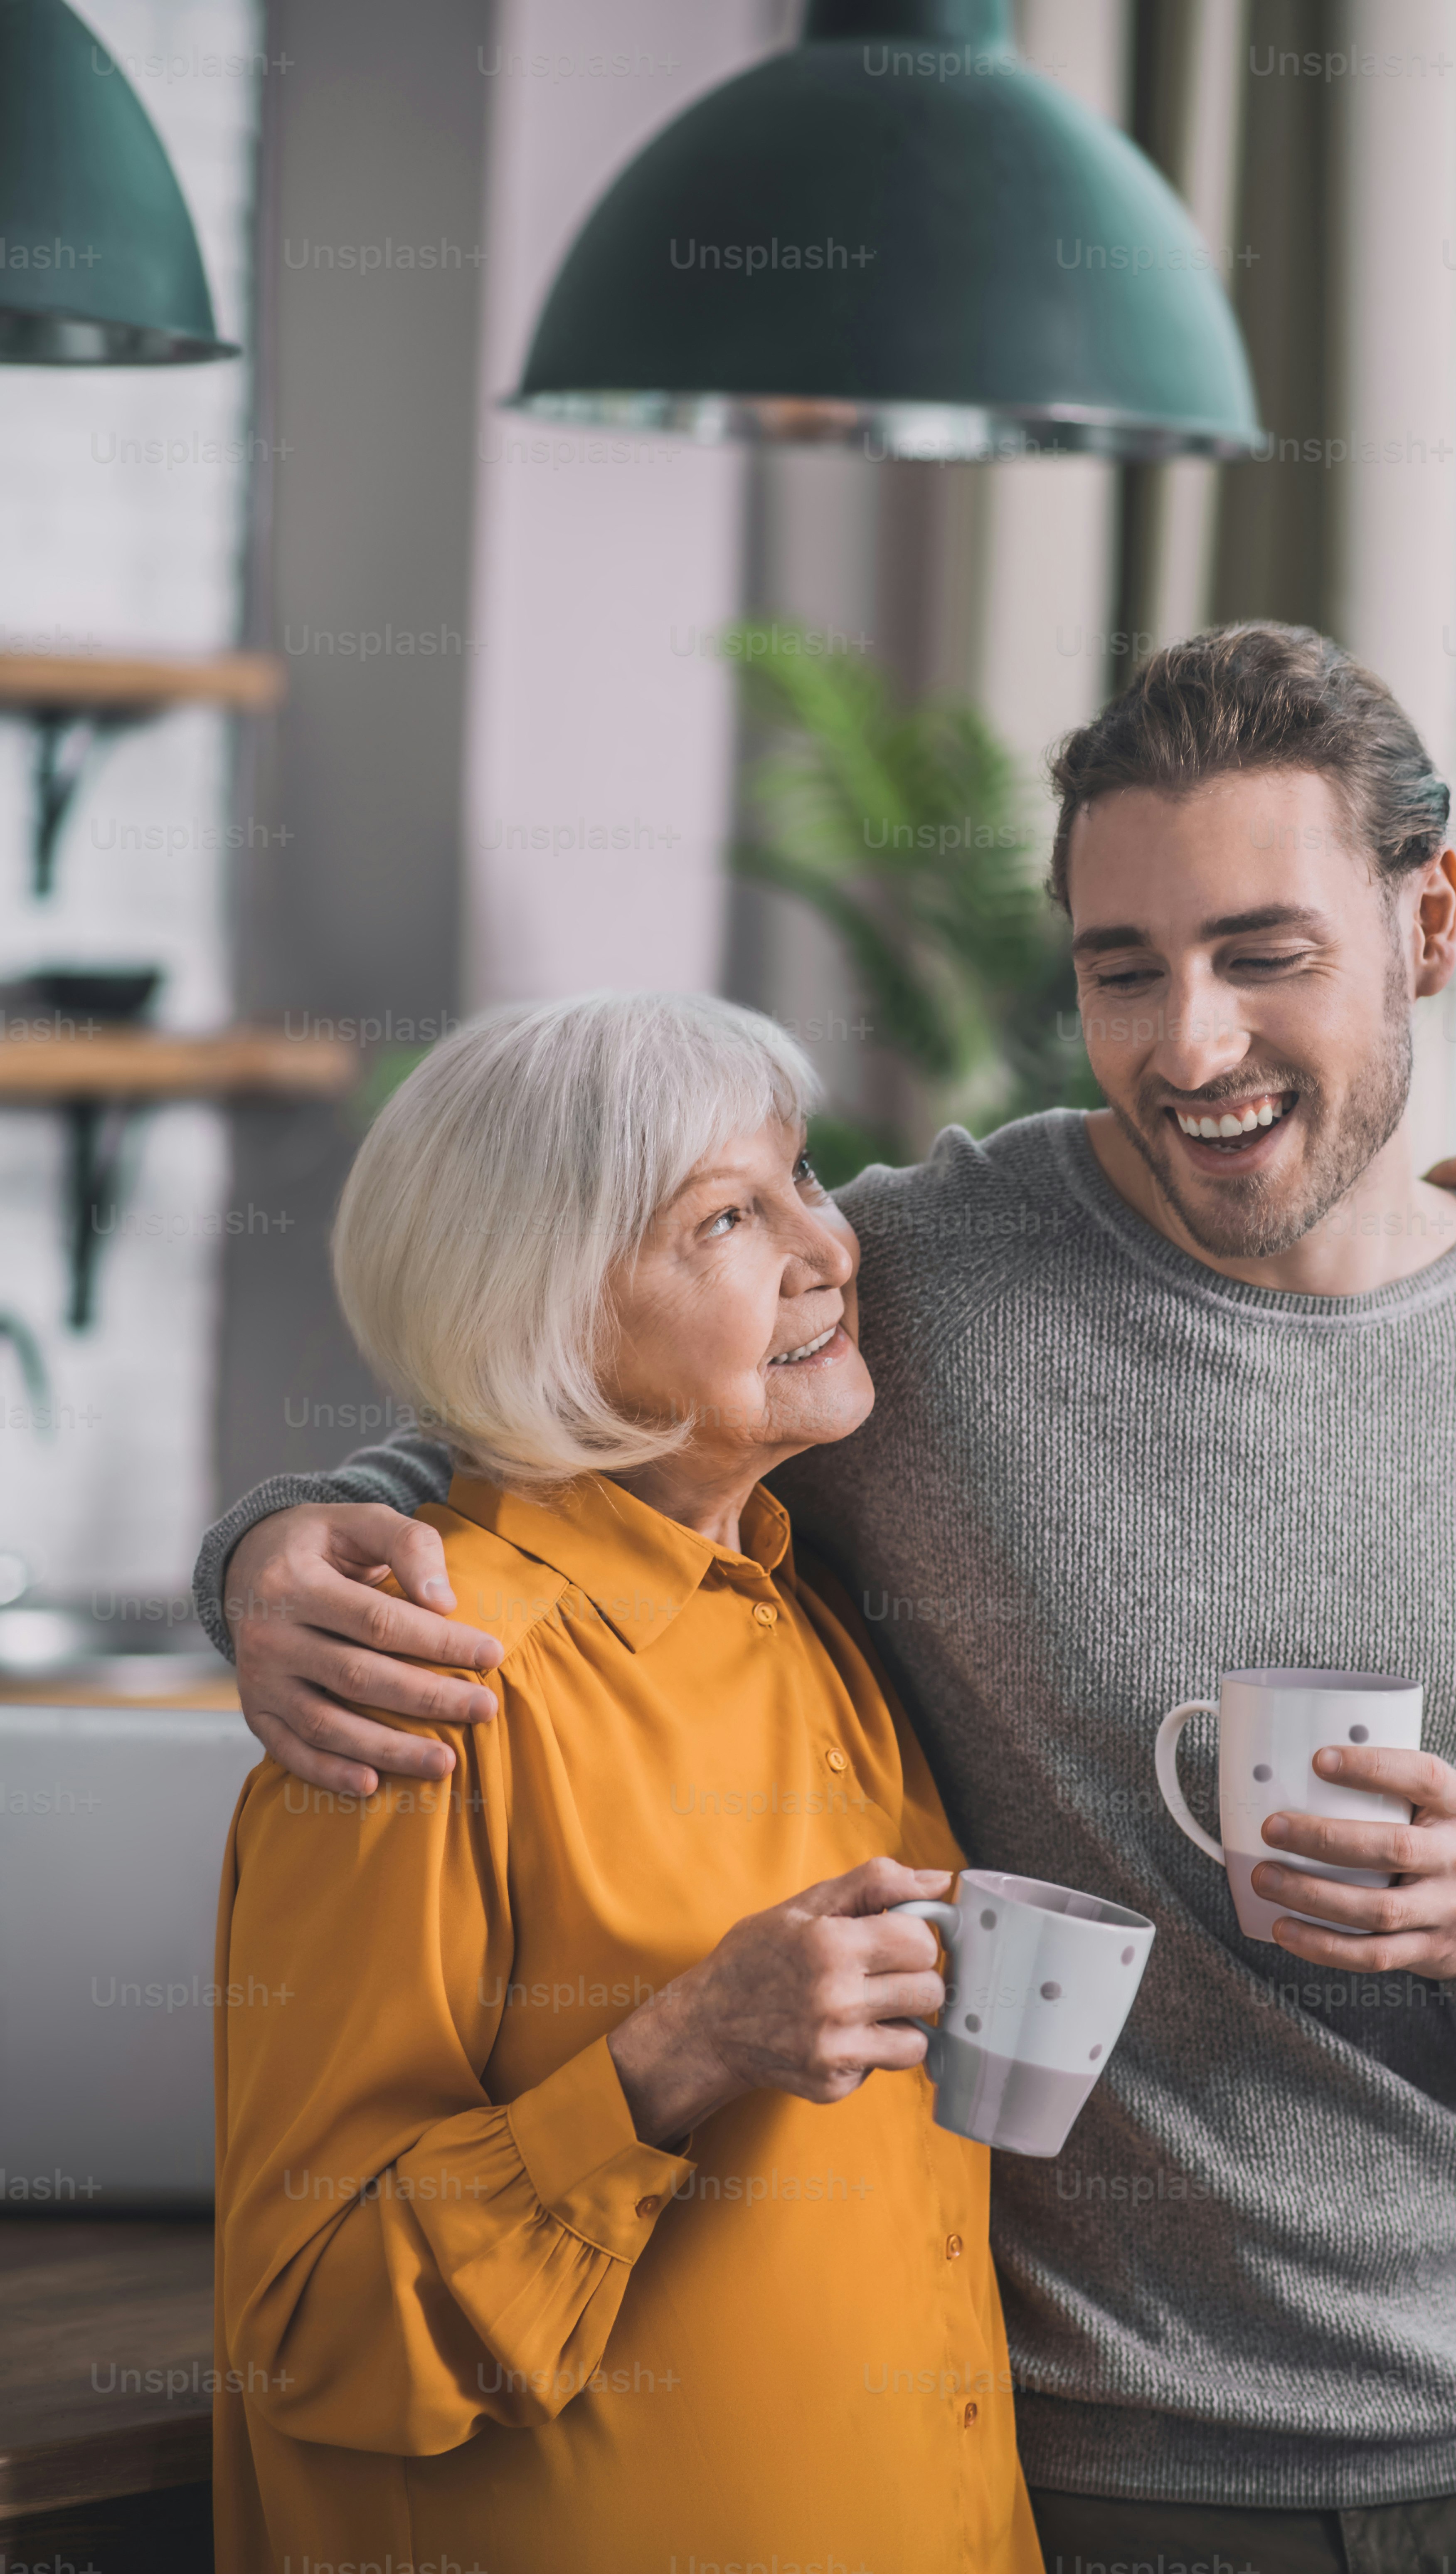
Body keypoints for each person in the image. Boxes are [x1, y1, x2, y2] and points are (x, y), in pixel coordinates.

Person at [195, 625, 1456, 2572]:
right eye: (1122, 968)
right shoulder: (913, 1288)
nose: (1190, 1043)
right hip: (1074, 2467)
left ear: (1428, 924)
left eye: (1266, 954)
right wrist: (270, 1547)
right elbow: (564, 1400)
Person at [210, 992, 1044, 2573]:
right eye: (729, 1218)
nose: (829, 1249)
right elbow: (317, 2337)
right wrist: (680, 2055)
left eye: (803, 1178)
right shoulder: (425, 1689)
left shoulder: (810, 1625)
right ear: (544, 1315)